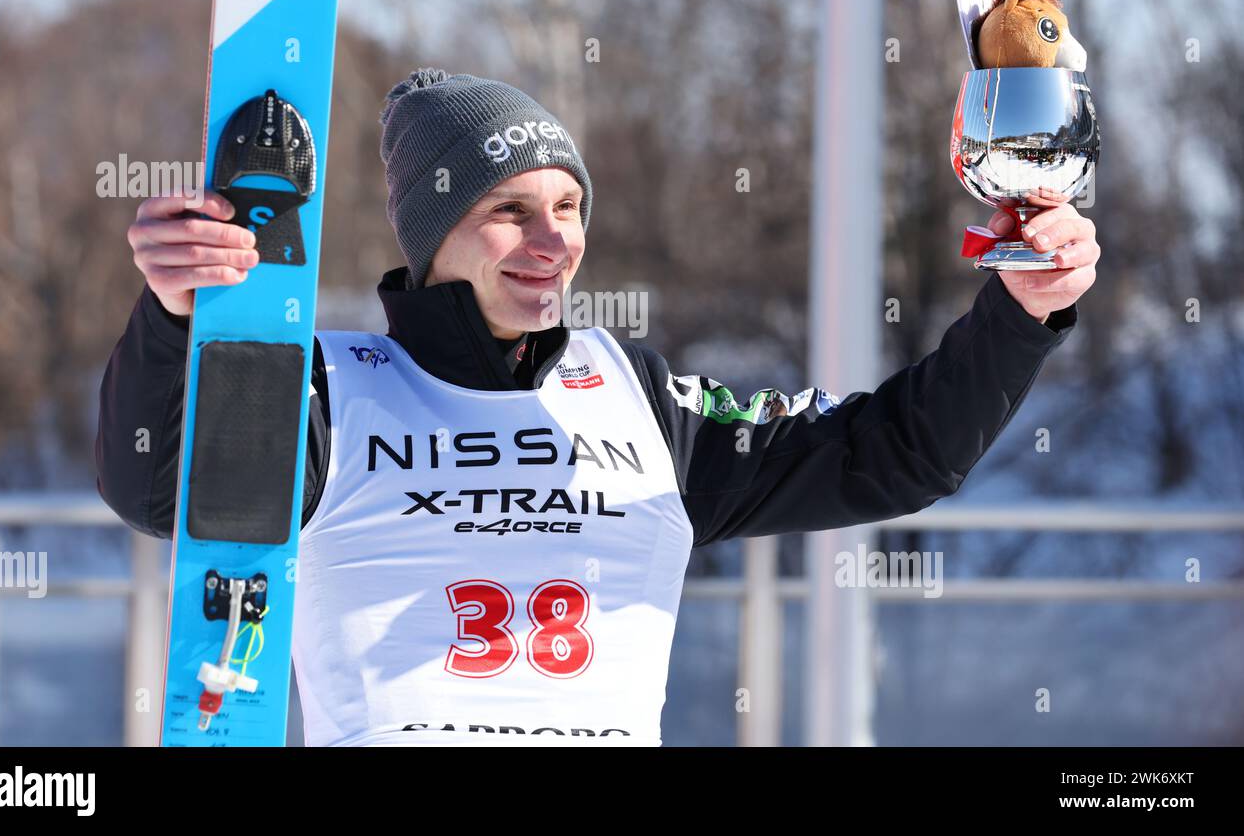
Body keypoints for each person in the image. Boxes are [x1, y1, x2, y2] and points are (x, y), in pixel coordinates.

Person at [96, 67, 1099, 745]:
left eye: (569, 207)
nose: (554, 241)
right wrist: (174, 315)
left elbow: (897, 453)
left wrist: (1019, 314)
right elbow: (156, 487)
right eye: (510, 211)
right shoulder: (330, 386)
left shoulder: (635, 396)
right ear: (433, 235)